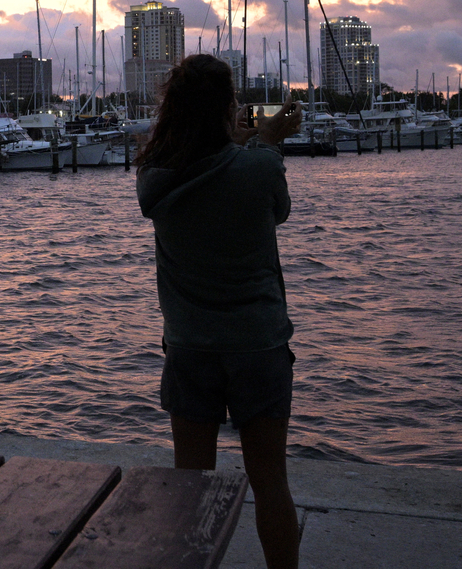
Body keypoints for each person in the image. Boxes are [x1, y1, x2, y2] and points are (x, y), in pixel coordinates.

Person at [135, 53, 304, 569]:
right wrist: (264, 142)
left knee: (192, 485)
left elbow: (205, 169)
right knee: (270, 481)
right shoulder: (259, 165)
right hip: (259, 343)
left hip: (189, 345)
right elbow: (277, 212)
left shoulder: (154, 178)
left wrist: (240, 143)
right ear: (227, 107)